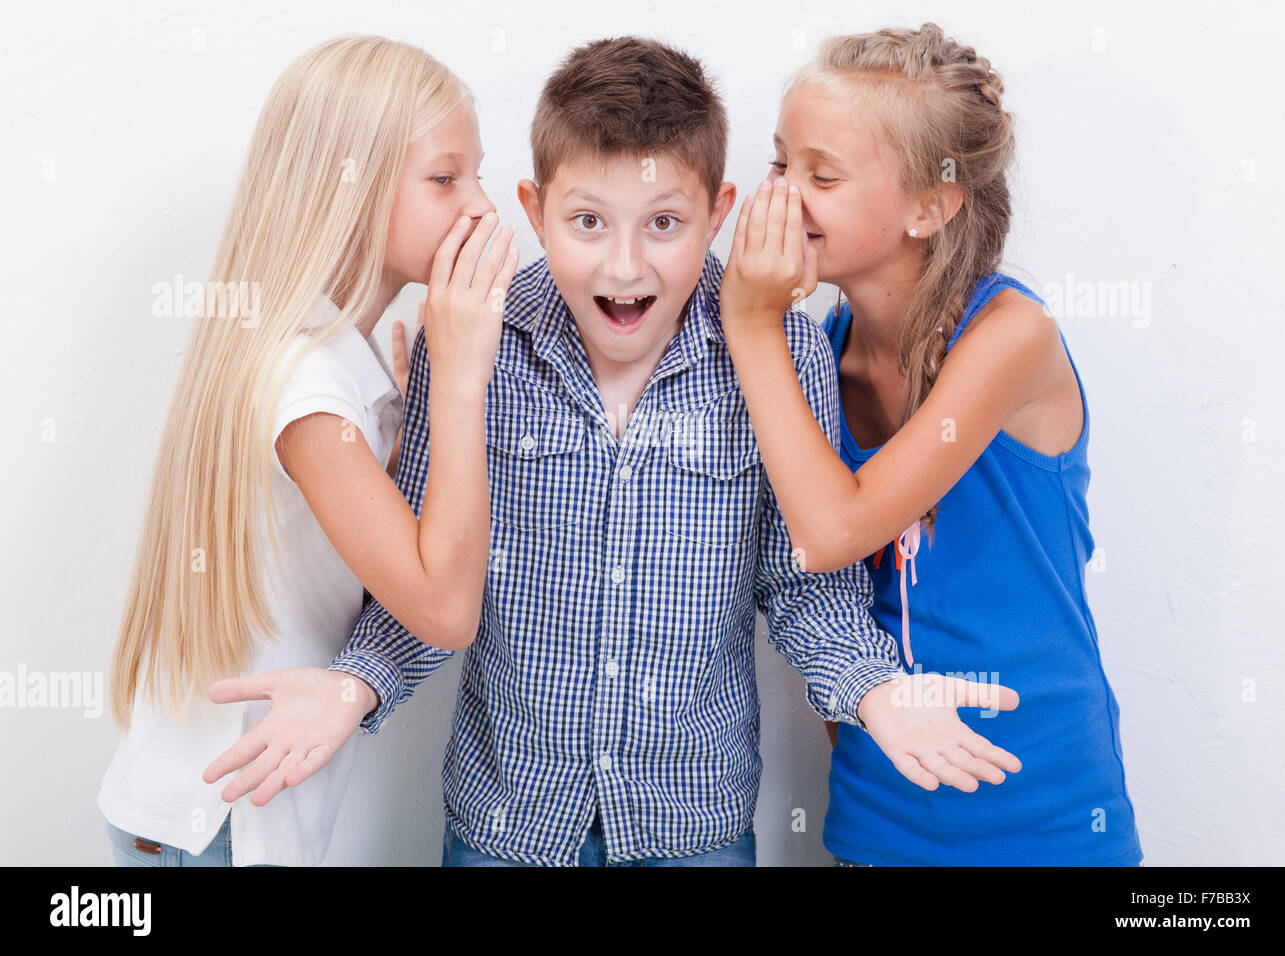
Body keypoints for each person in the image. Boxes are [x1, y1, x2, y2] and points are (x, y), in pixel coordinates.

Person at [203, 36, 1020, 868]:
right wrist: (356, 685)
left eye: (664, 223)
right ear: (534, 208)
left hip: (692, 825)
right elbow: (431, 577)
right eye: (588, 221)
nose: (625, 265)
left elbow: (807, 587)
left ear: (718, 211)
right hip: (508, 824)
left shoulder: (783, 355)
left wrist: (872, 688)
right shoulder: (477, 343)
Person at [719, 23, 1142, 865]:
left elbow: (836, 531)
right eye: (779, 163)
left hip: (1042, 805)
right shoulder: (818, 352)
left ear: (929, 205)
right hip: (880, 803)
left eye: (822, 174)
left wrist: (751, 321)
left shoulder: (1010, 336)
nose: (783, 197)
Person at [97, 34, 517, 867]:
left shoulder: (320, 359)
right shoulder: (304, 379)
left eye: (476, 173)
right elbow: (444, 609)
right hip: (214, 825)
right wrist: (463, 382)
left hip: (206, 810)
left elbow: (355, 561)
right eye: (445, 178)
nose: (482, 208)